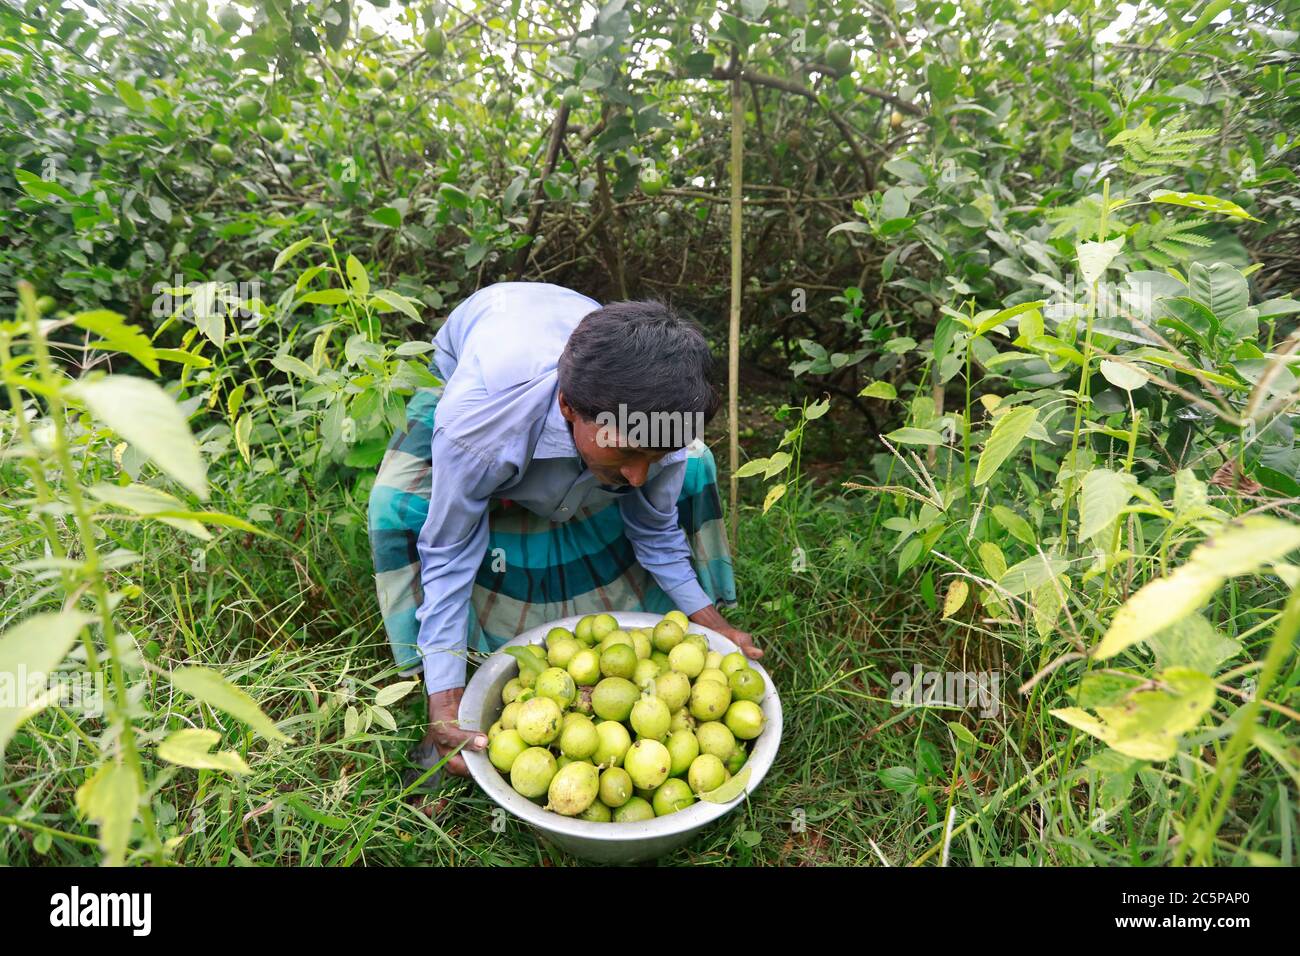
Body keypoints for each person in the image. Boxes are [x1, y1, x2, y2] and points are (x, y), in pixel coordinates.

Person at [368, 282, 761, 780]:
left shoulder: (660, 423)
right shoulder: (477, 430)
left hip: (574, 359)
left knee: (693, 467)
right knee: (395, 508)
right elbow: (448, 554)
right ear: (569, 408)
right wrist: (445, 705)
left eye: (654, 456)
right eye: (625, 452)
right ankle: (432, 677)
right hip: (485, 368)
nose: (639, 476)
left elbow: (656, 529)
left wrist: (712, 623)